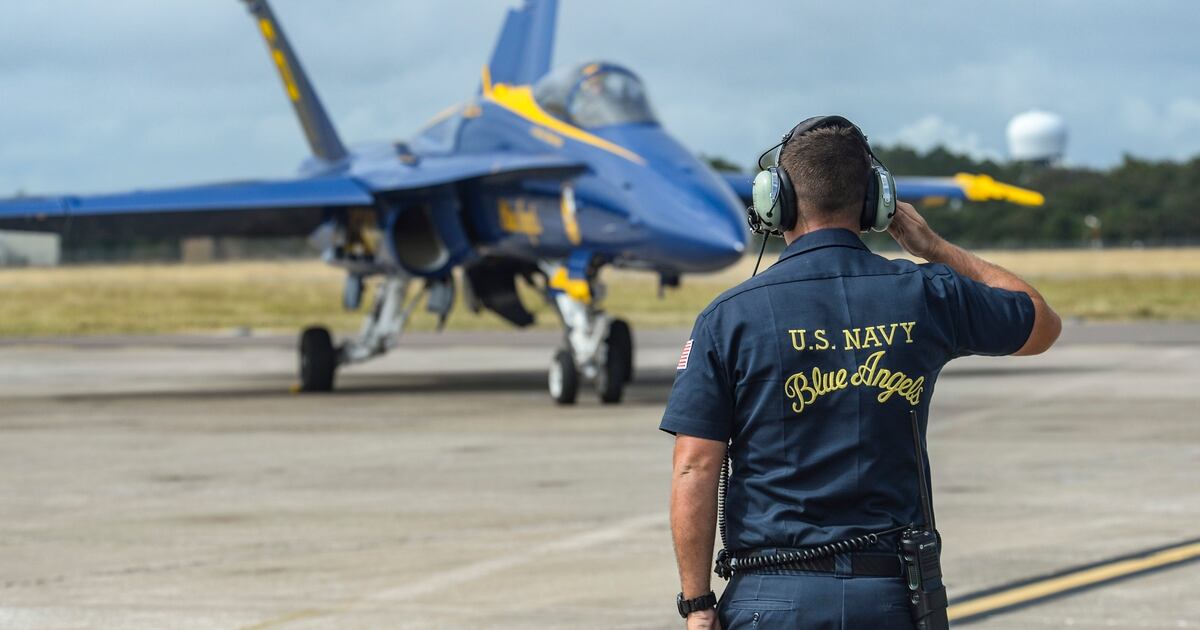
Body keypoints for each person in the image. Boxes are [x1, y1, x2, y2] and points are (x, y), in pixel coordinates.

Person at [661, 117, 1061, 629]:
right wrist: (934, 247)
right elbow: (1040, 322)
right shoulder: (927, 293)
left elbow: (695, 466)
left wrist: (697, 606)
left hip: (772, 597)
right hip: (890, 597)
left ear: (774, 201)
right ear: (877, 203)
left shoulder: (729, 316)